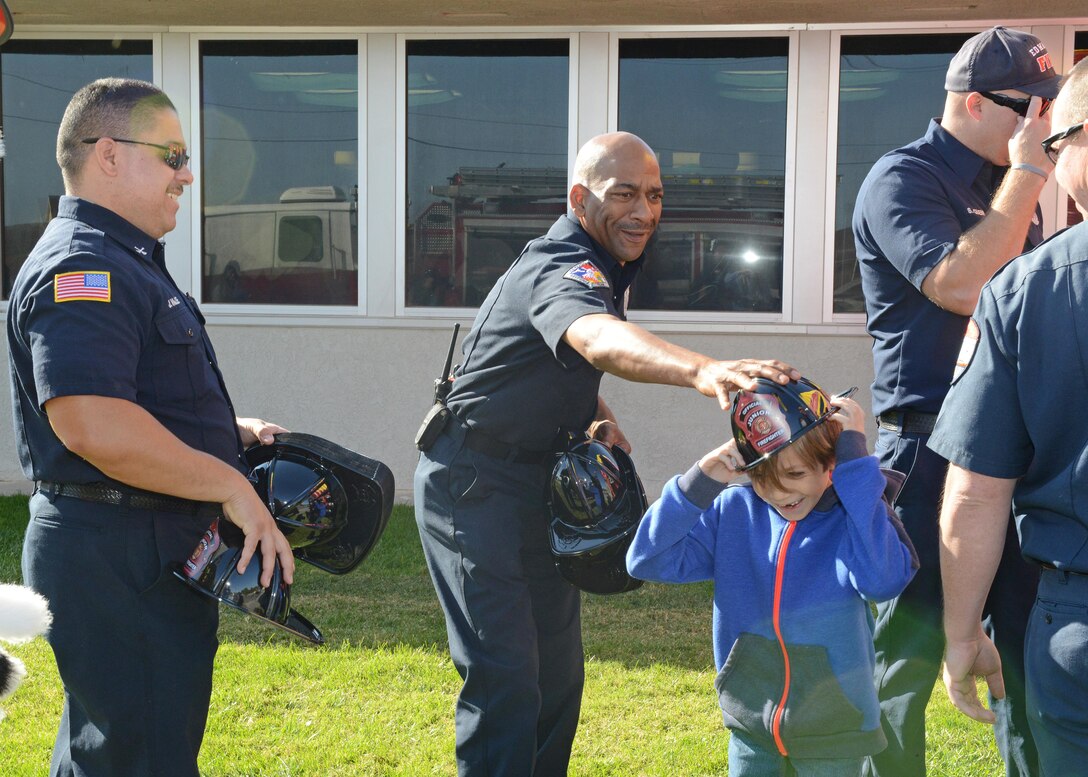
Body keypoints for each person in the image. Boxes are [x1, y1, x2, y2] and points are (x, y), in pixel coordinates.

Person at [413, 130, 799, 777]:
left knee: (558, 678)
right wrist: (706, 371)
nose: (643, 210)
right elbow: (594, 336)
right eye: (624, 193)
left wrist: (598, 414)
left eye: (654, 194)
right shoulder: (560, 263)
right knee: (506, 680)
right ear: (580, 198)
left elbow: (547, 357)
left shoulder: (607, 263)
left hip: (536, 481)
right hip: (472, 483)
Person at [5, 78, 295, 777]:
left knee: (117, 749)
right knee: (139, 758)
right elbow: (91, 423)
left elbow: (130, 400)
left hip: (133, 547)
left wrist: (225, 431)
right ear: (108, 154)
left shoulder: (123, 261)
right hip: (118, 555)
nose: (187, 174)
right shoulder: (83, 267)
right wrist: (228, 483)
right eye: (172, 156)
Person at [851, 26, 1060, 777]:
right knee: (901, 663)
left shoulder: (1004, 182)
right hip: (926, 449)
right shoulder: (901, 179)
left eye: (1051, 110)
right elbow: (960, 287)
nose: (1041, 125)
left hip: (1011, 455)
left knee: (1026, 652)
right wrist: (1030, 174)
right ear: (974, 102)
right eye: (1029, 109)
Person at [626, 377, 917, 777]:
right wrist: (699, 481)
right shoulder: (734, 511)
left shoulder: (852, 518)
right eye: (763, 478)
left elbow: (882, 580)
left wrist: (855, 467)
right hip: (750, 729)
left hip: (835, 732)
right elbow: (646, 559)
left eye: (795, 474)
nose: (780, 493)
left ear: (830, 467)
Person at [931, 56, 1088, 775]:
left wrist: (961, 633)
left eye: (1057, 141)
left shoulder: (1030, 290)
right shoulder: (904, 181)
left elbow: (976, 490)